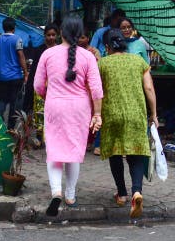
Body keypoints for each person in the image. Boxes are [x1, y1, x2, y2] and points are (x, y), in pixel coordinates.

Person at [33, 15, 103, 216]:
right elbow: (96, 90)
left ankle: (56, 191)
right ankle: (70, 195)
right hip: (79, 108)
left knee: (54, 150)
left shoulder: (48, 54)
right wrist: (97, 113)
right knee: (74, 150)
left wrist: (50, 95)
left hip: (55, 105)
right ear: (80, 35)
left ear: (61, 32)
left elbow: (38, 85)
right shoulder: (89, 56)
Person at [98, 29, 158, 219]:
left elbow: (97, 91)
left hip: (112, 114)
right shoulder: (139, 61)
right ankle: (136, 192)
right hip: (135, 114)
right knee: (136, 152)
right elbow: (148, 87)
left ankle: (122, 194)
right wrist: (154, 114)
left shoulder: (102, 63)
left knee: (115, 152)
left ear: (107, 47)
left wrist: (95, 114)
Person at [0, 17, 28, 126]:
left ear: (3, 27)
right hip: (15, 77)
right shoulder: (17, 39)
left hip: (2, 77)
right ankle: (11, 127)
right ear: (14, 28)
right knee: (14, 103)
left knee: (2, 100)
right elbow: (21, 56)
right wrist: (25, 72)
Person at [27, 24, 59, 143]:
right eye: (48, 35)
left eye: (53, 35)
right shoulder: (39, 50)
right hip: (41, 87)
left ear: (57, 35)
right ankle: (39, 137)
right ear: (44, 36)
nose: (51, 37)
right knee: (40, 112)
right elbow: (34, 71)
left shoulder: (61, 50)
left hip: (55, 87)